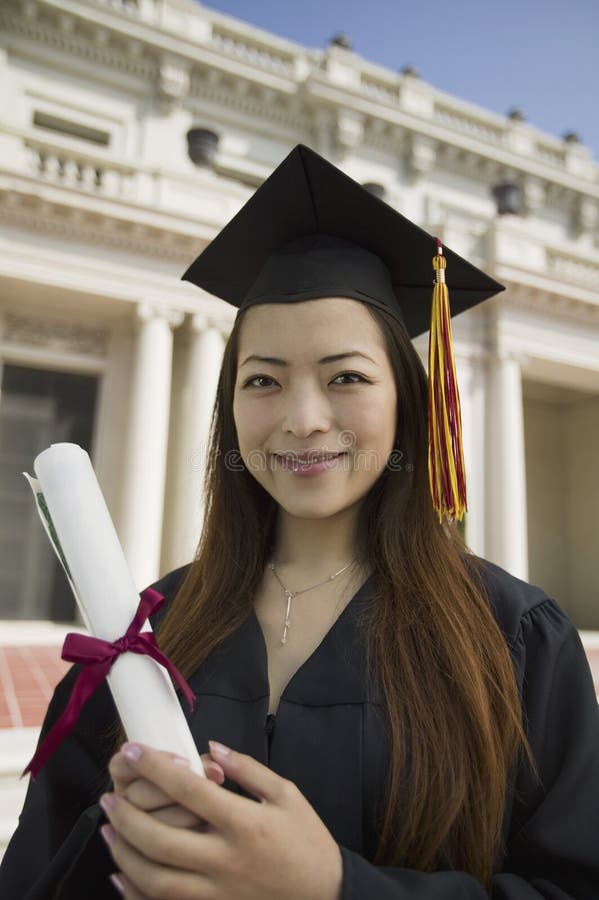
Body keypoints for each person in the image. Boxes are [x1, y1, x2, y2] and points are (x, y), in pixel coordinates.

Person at [1, 144, 598, 899]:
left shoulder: (515, 640)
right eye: (263, 381)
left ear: (407, 406)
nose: (302, 419)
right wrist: (116, 841)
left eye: (346, 376)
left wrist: (331, 887)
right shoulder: (144, 634)